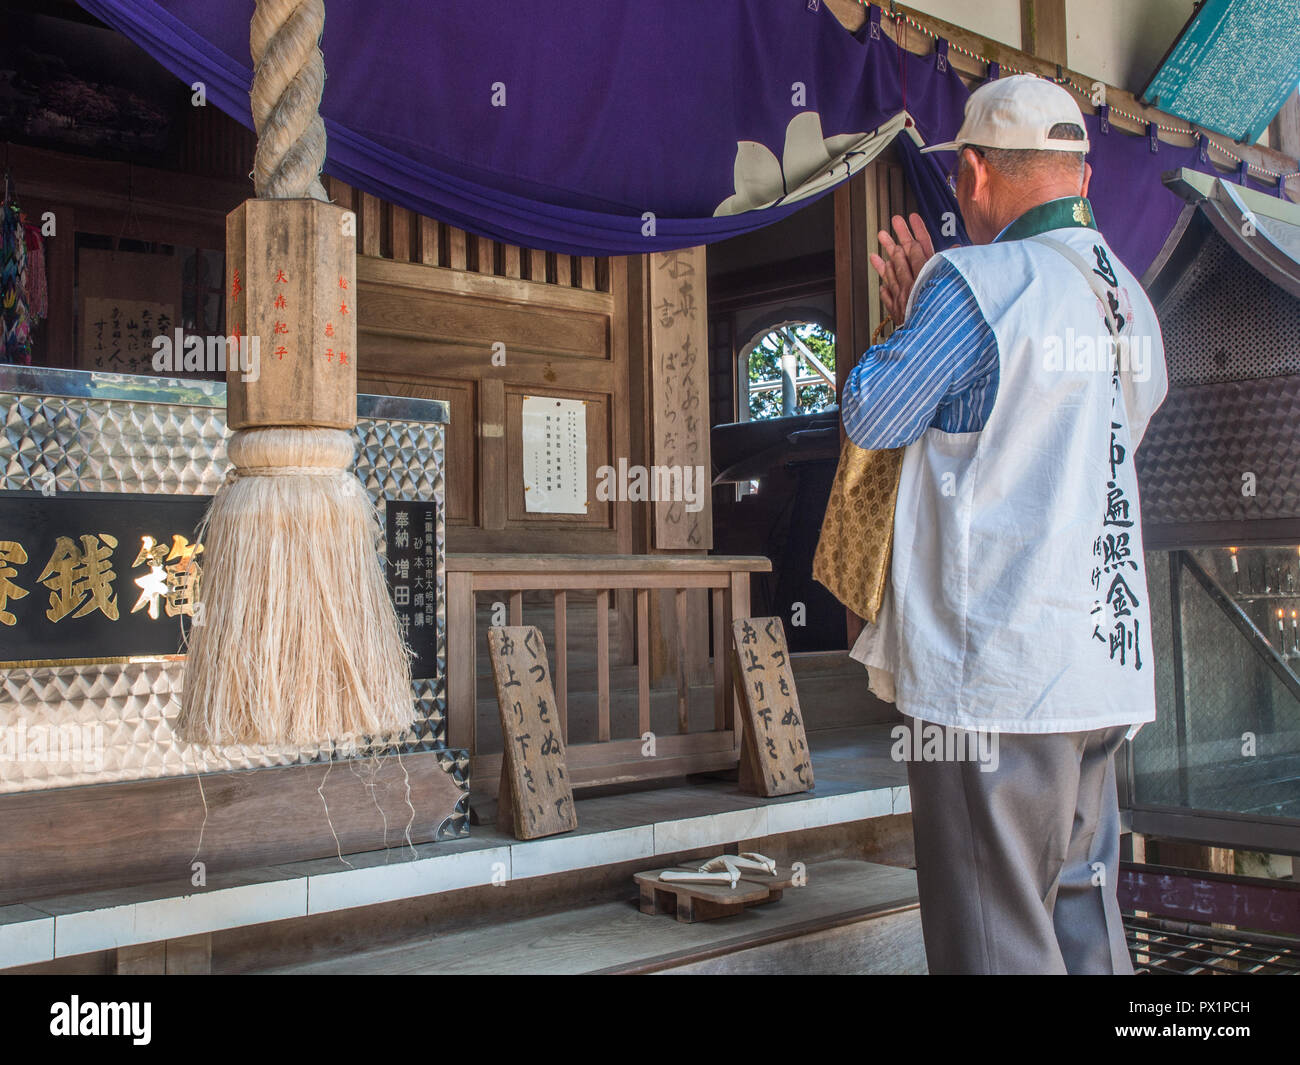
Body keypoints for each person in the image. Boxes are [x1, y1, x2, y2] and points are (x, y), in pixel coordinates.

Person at [841, 74, 1167, 974]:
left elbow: (874, 411)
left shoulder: (980, 283)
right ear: (1083, 178)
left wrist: (914, 311)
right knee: (1079, 911)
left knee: (993, 934)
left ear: (974, 175)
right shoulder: (1131, 303)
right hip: (1100, 667)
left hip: (997, 675)